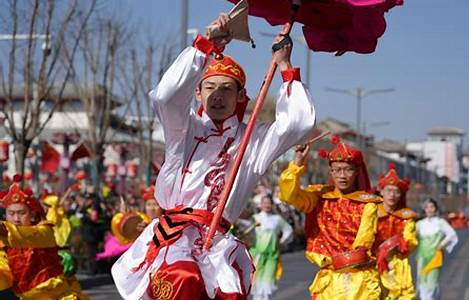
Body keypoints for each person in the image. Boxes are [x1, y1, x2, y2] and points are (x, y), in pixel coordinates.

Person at [111, 12, 315, 300]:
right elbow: (164, 98)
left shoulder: (252, 140)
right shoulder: (184, 128)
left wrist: (285, 67)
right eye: (210, 87)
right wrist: (205, 47)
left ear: (240, 96)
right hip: (176, 238)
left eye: (226, 89)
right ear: (197, 92)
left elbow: (298, 124)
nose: (217, 96)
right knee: (184, 279)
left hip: (216, 243)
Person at [279, 136, 382, 300]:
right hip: (329, 280)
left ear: (356, 172)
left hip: (358, 280)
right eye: (337, 170)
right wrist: (297, 163)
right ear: (331, 172)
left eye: (348, 169)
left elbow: (365, 239)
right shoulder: (318, 197)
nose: (342, 175)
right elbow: (290, 196)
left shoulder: (367, 204)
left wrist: (348, 260)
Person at [0, 176, 79, 299]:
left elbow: (22, 235)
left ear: (32, 215)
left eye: (21, 213)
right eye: (11, 213)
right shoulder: (3, 242)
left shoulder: (44, 232)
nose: (16, 219)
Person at [373, 163, 418, 300]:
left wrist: (400, 244)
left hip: (398, 265)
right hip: (374, 264)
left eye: (396, 191)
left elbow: (411, 241)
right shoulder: (372, 212)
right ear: (381, 191)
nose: (392, 195)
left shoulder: (406, 216)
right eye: (389, 190)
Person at [250, 195, 293, 300]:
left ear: (272, 205)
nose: (267, 205)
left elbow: (288, 230)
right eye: (264, 203)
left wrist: (282, 242)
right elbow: (245, 232)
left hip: (271, 256)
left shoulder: (277, 219)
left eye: (269, 203)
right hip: (257, 255)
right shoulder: (255, 218)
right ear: (260, 205)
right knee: (256, 283)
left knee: (268, 282)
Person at [415, 198, 458, 300]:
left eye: (432, 207)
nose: (429, 209)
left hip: (435, 257)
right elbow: (410, 236)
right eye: (427, 207)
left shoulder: (440, 222)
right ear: (424, 209)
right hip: (422, 258)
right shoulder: (420, 224)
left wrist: (441, 245)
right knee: (422, 283)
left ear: (436, 209)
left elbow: (452, 234)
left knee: (432, 284)